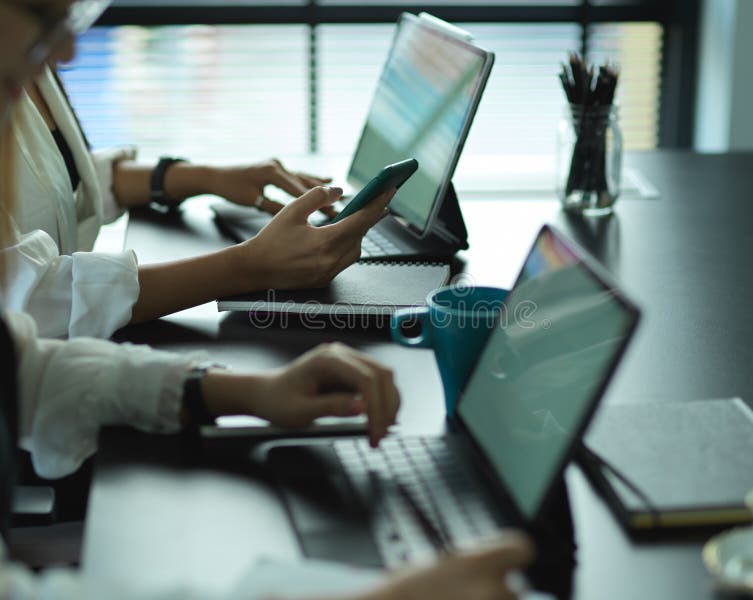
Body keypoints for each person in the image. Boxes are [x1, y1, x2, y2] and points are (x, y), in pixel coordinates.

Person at [0, 2, 534, 597]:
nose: (71, 49)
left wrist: (239, 389)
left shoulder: (26, 59)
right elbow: (28, 294)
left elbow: (21, 365)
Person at [2, 0, 393, 339]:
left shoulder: (24, 50)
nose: (69, 51)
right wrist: (247, 267)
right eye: (46, 15)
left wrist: (204, 177)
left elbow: (56, 179)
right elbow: (29, 298)